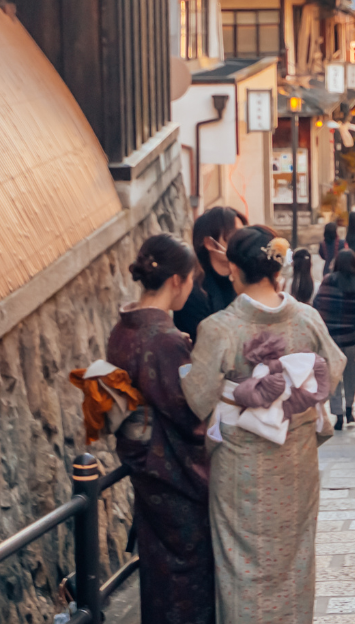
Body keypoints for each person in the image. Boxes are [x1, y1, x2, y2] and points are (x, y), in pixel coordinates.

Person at [182, 226, 343, 623]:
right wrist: (291, 399)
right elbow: (334, 369)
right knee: (295, 556)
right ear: (276, 268)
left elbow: (198, 397)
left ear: (233, 270)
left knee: (242, 563)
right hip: (296, 456)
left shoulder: (220, 327)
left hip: (240, 466)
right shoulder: (306, 318)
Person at [106, 234, 216, 623]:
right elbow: (190, 415)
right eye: (191, 281)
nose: (192, 289)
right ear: (176, 281)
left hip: (145, 470)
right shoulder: (163, 340)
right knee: (190, 579)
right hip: (175, 475)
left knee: (159, 574)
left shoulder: (124, 330)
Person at [175, 206, 247, 339]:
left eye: (243, 235)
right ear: (210, 243)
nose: (242, 242)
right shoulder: (194, 290)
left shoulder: (246, 279)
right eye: (234, 235)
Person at [313, 250, 355, 430]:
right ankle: (349, 408)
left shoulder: (328, 281)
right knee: (351, 376)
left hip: (332, 340)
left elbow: (318, 305)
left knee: (334, 378)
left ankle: (339, 415)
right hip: (352, 339)